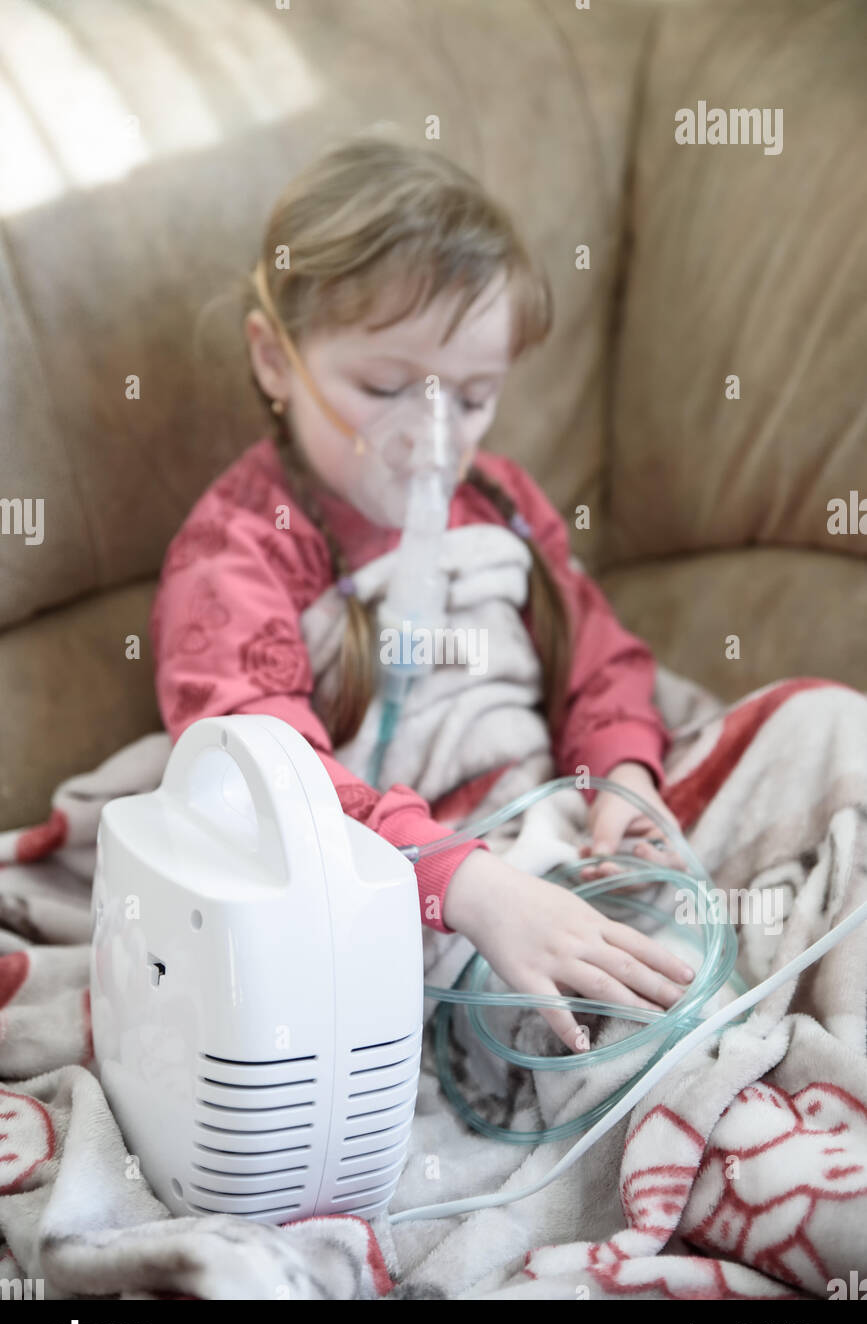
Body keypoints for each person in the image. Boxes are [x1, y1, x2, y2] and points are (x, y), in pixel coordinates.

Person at [150, 134, 695, 1054]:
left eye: (474, 396)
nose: (433, 437)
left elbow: (595, 656)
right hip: (401, 882)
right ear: (275, 361)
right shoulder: (235, 556)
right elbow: (265, 787)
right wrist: (470, 887)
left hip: (551, 819)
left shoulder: (502, 504)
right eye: (388, 386)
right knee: (585, 1027)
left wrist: (623, 781)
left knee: (822, 731)